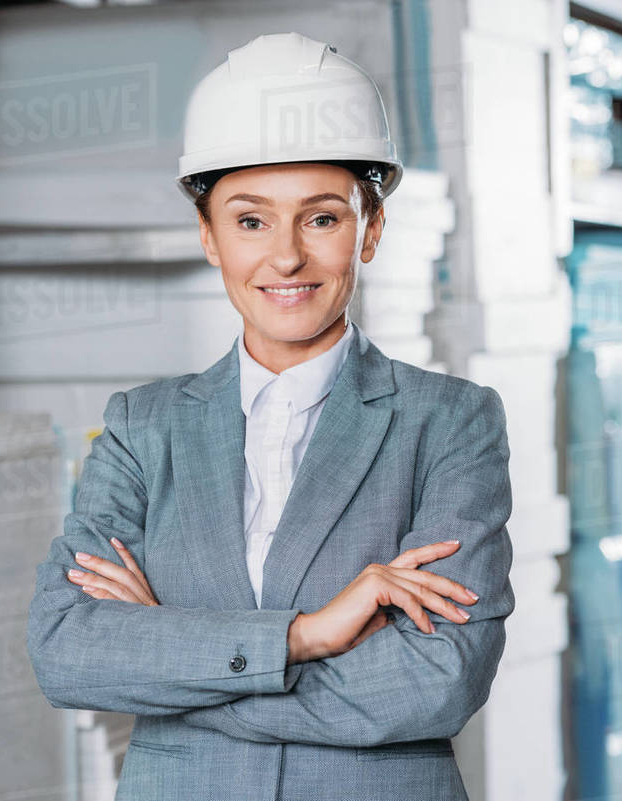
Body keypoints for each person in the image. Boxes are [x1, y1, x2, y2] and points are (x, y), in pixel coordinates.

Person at [26, 31, 515, 801]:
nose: (285, 258)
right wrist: (304, 636)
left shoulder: (449, 422)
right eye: (250, 220)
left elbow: (438, 679)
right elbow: (67, 650)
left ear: (372, 229)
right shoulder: (141, 427)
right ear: (209, 236)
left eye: (321, 219)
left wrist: (176, 655)